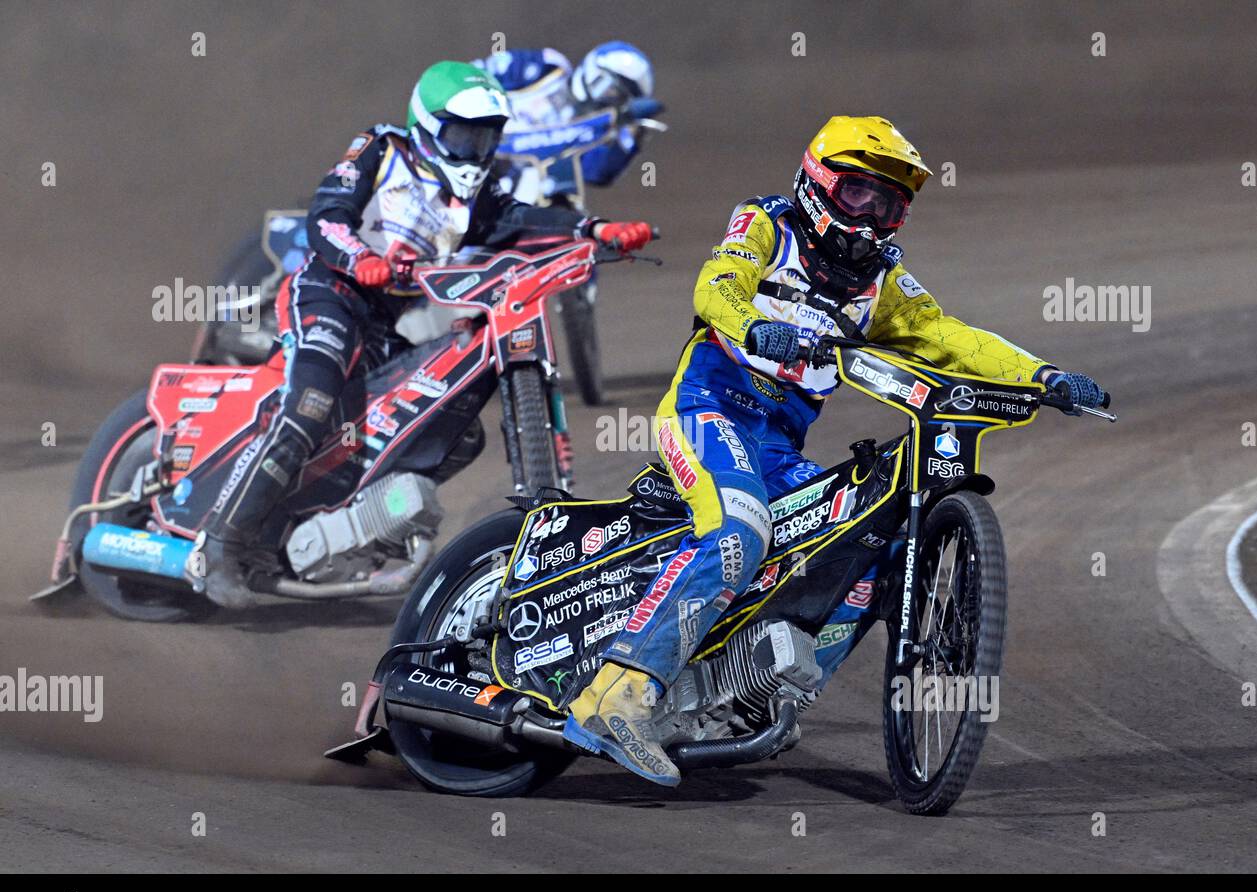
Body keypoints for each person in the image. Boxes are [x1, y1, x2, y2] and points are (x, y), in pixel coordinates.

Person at [563, 115, 1107, 786]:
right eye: (858, 194)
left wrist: (1045, 376)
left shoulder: (882, 285)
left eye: (889, 203)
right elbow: (715, 287)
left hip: (778, 447)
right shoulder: (767, 224)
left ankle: (742, 699)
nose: (872, 216)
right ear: (817, 182)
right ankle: (613, 697)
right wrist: (756, 328)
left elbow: (953, 339)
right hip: (706, 411)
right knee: (741, 528)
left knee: (860, 551)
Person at [195, 61, 652, 606]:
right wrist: (358, 257)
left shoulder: (472, 195)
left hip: (384, 322)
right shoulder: (381, 149)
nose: (474, 148)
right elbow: (325, 216)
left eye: (485, 137)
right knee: (311, 404)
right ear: (429, 125)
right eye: (463, 134)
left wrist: (593, 230)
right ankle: (219, 545)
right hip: (329, 295)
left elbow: (516, 218)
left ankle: (324, 530)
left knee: (455, 431)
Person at [475, 41, 657, 192]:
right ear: (593, 71)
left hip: (498, 187)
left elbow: (593, 173)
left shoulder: (588, 134)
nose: (608, 103)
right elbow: (476, 75)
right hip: (466, 143)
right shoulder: (547, 68)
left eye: (619, 101)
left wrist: (630, 138)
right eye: (610, 89)